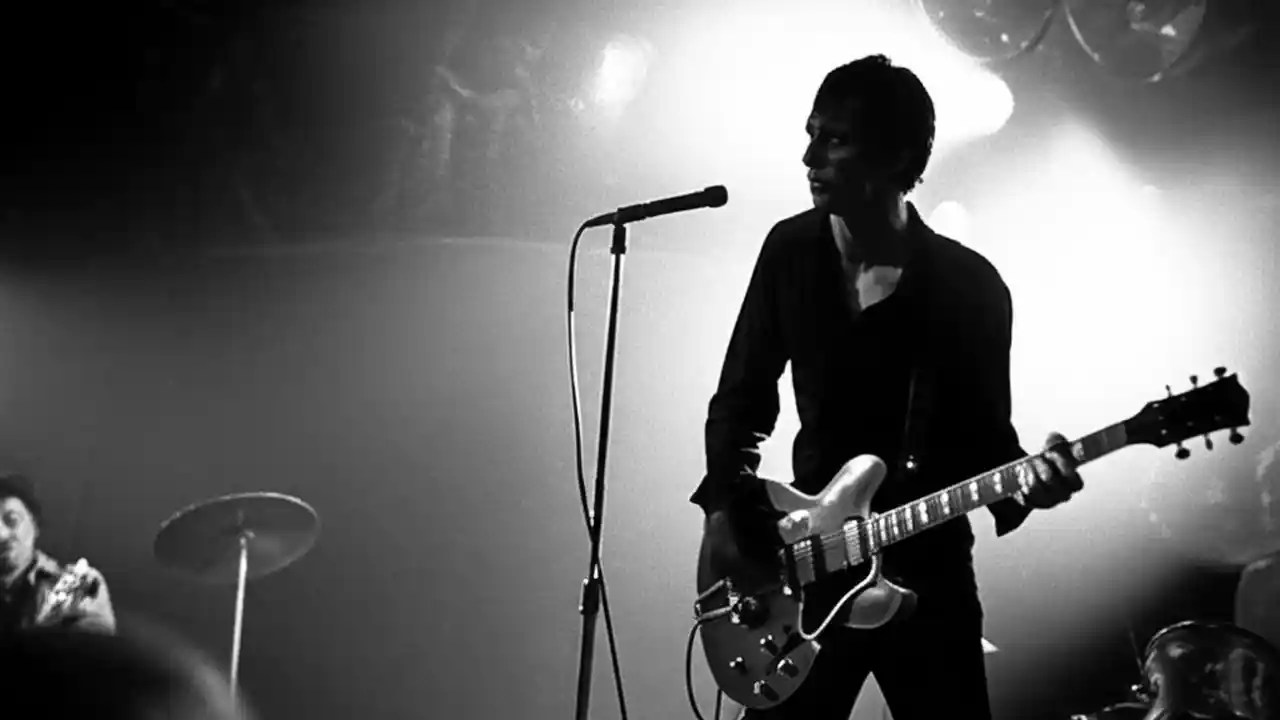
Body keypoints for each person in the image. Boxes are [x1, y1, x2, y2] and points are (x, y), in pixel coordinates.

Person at [691, 55, 1084, 720]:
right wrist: (731, 515)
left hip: (929, 574)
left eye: (835, 139)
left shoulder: (969, 287)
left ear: (898, 156)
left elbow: (987, 441)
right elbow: (740, 400)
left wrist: (1034, 483)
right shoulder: (789, 251)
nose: (810, 155)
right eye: (813, 132)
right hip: (809, 562)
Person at [0, 473, 116, 636]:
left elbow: (94, 654)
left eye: (12, 520)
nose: (1, 534)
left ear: (35, 525)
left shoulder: (78, 584)